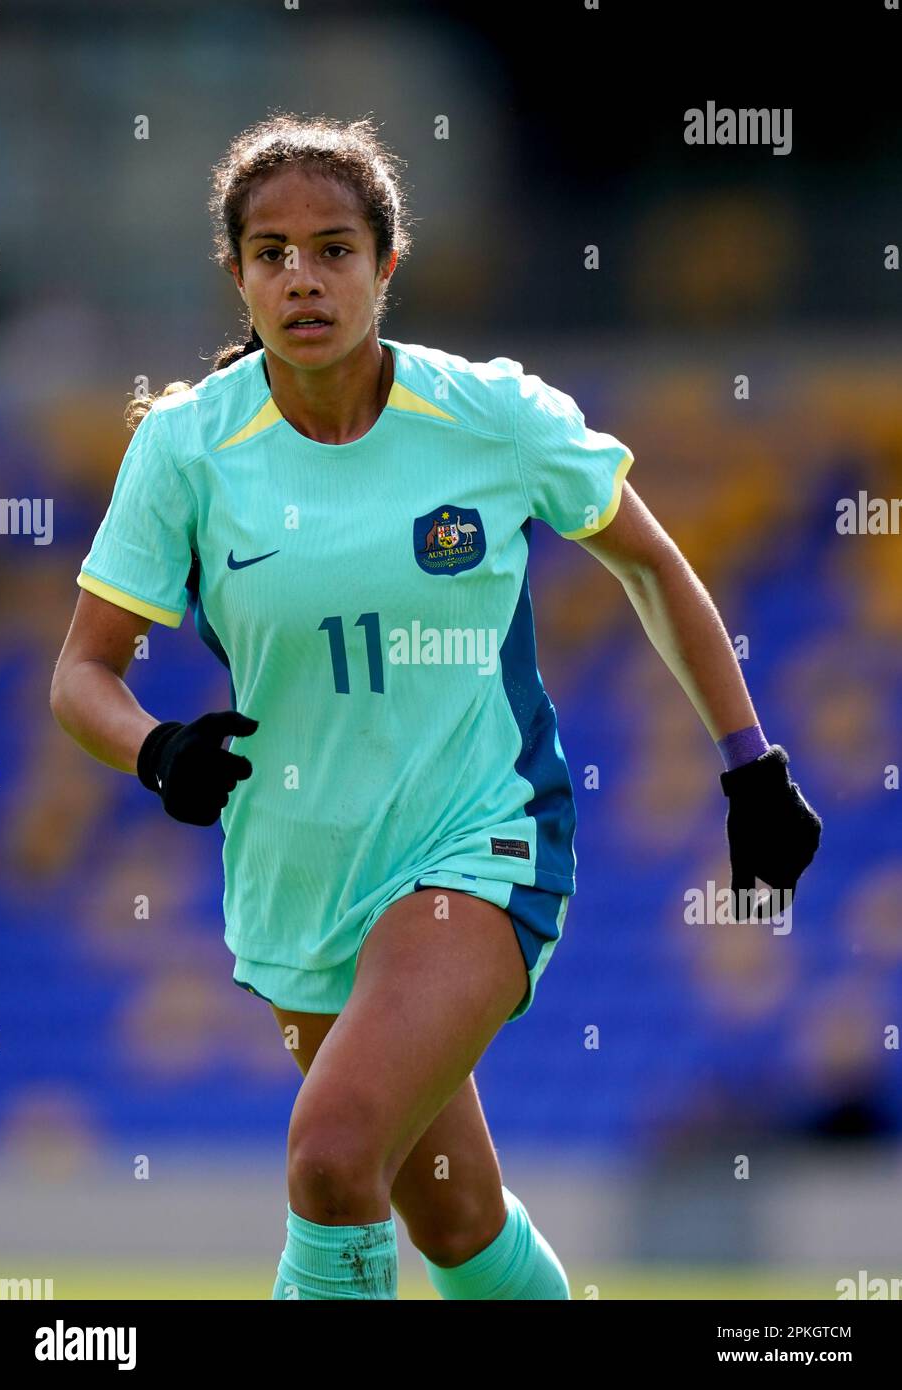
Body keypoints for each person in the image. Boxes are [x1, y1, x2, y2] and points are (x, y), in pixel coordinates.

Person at [49, 113, 822, 1300]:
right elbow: (80, 675)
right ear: (237, 276)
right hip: (300, 876)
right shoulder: (186, 449)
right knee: (456, 1218)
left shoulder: (489, 417)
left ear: (385, 264)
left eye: (333, 249)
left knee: (329, 1156)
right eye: (269, 254)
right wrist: (157, 752)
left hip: (480, 840)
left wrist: (748, 764)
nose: (301, 277)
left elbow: (651, 565)